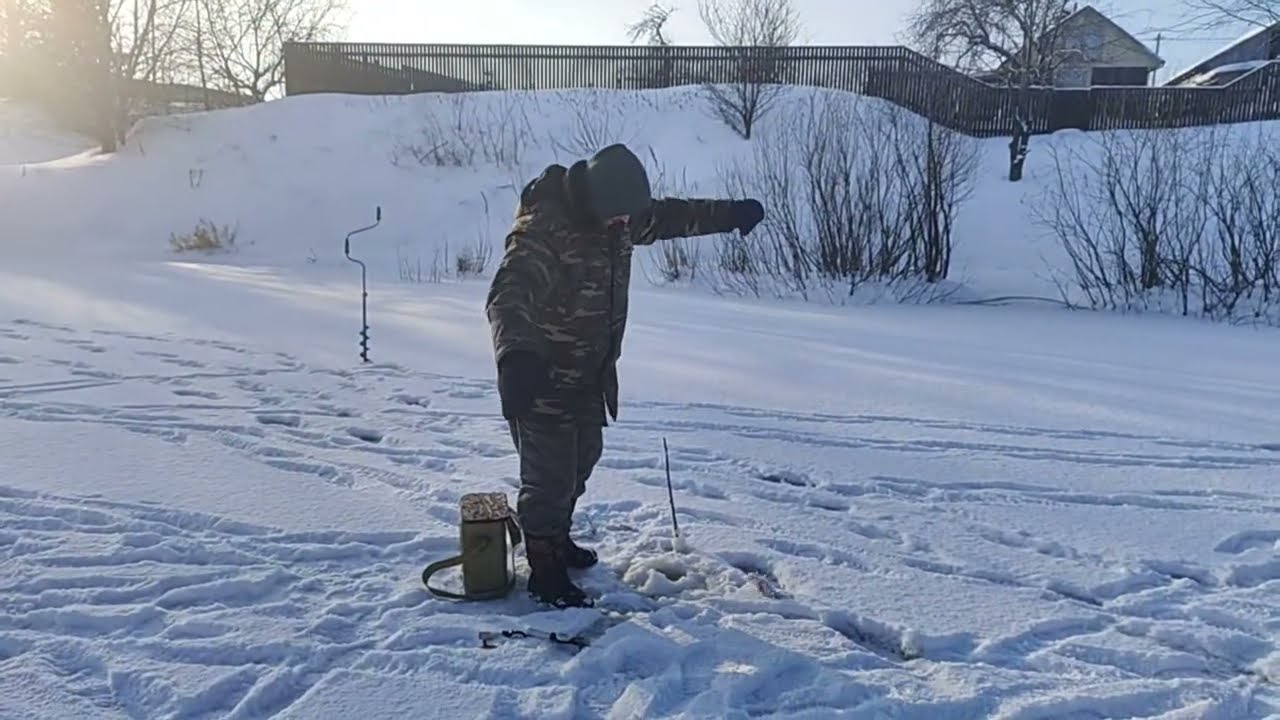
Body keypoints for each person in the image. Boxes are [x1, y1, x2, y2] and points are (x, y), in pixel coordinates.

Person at [484, 143, 765, 608]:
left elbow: (672, 217)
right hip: (541, 378)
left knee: (580, 464)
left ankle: (559, 540)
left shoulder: (616, 213)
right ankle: (544, 570)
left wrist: (730, 213)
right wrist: (514, 356)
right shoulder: (542, 229)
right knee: (547, 479)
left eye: (627, 221)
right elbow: (509, 292)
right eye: (617, 219)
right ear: (594, 201)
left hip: (591, 375)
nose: (624, 228)